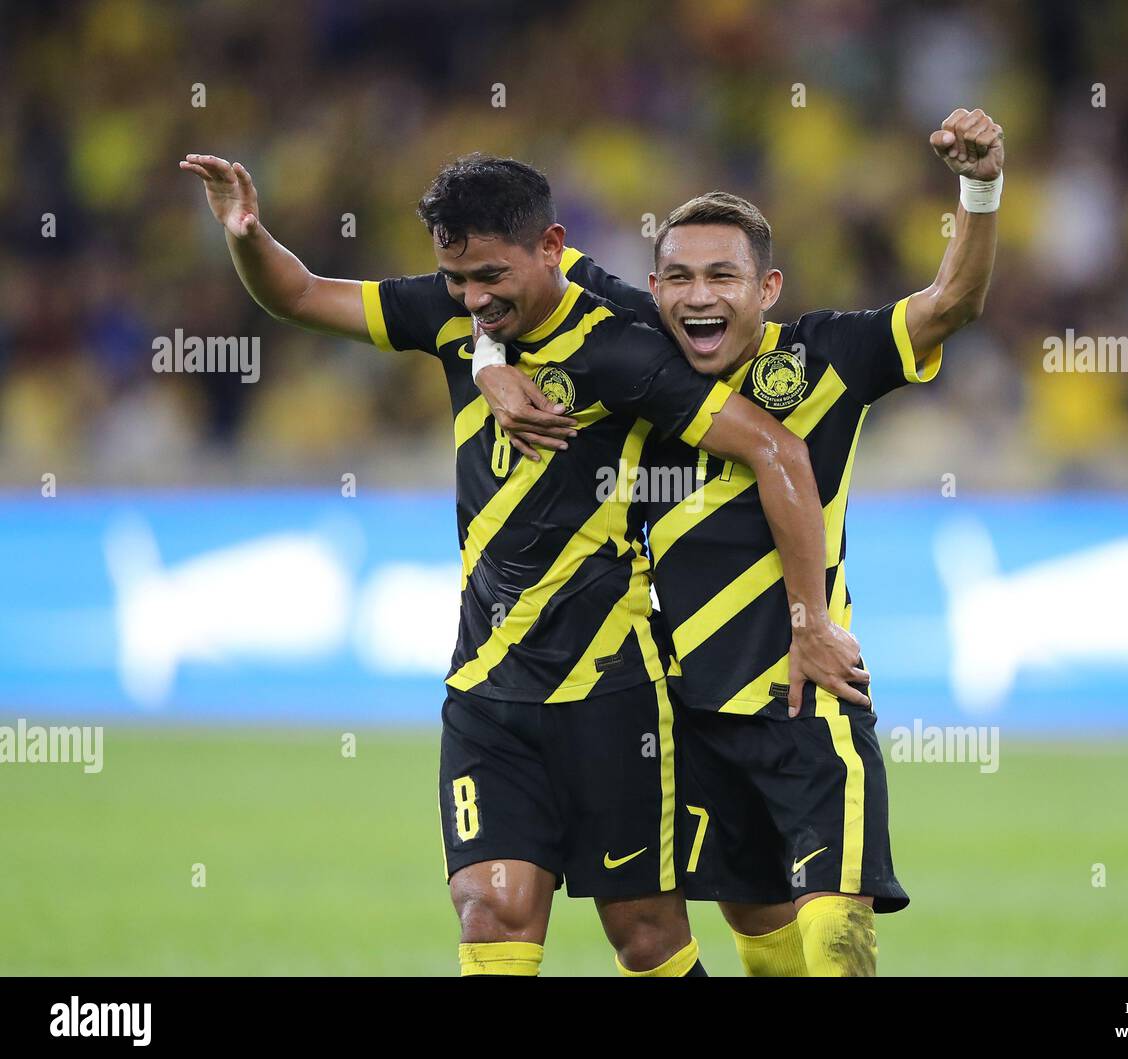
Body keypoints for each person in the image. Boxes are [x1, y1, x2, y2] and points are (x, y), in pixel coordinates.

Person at [180, 151, 869, 976]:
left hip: (611, 691)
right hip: (486, 688)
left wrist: (809, 621)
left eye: (489, 277)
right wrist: (246, 234)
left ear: (551, 246)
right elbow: (296, 293)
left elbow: (773, 447)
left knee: (645, 932)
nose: (472, 297)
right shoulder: (455, 315)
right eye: (457, 278)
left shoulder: (627, 347)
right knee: (490, 909)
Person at [475, 108, 1003, 975]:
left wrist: (978, 187)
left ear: (767, 289)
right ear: (654, 286)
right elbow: (495, 282)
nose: (699, 295)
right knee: (767, 958)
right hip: (686, 719)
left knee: (836, 944)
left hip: (809, 705)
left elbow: (954, 302)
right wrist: (487, 360)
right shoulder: (636, 350)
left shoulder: (828, 356)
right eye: (678, 277)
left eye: (724, 275)